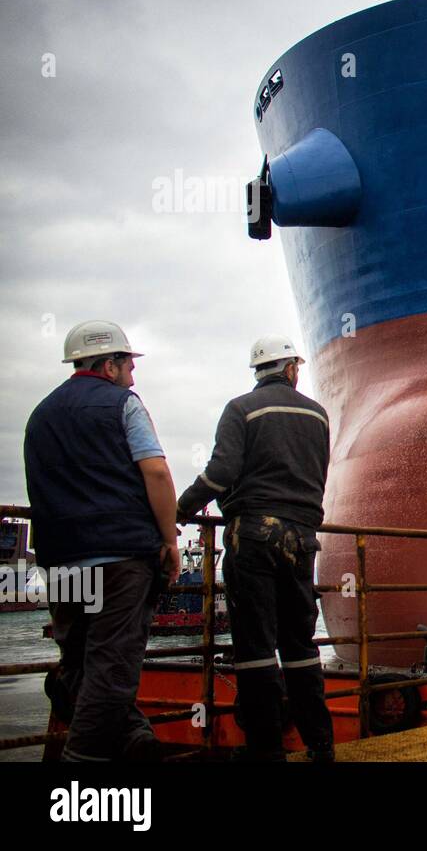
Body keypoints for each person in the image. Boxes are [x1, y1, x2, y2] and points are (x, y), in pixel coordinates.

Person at [24, 320, 181, 761]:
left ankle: (133, 738)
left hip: (61, 563)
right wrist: (169, 539)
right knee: (112, 670)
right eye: (129, 362)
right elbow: (156, 471)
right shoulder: (124, 404)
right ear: (109, 365)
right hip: (120, 561)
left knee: (77, 661)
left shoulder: (40, 413)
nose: (134, 372)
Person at [176, 335, 334, 761]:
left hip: (253, 537)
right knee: (300, 644)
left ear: (259, 372)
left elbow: (221, 472)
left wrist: (184, 507)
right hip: (302, 539)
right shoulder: (318, 415)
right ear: (290, 369)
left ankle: (268, 751)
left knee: (256, 646)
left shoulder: (240, 409)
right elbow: (318, 474)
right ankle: (321, 744)